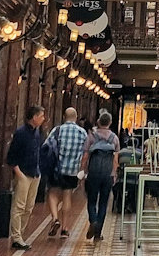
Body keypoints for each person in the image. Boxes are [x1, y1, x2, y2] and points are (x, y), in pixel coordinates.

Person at [6, 105, 47, 249]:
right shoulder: (21, 133)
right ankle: (16, 237)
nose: (43, 119)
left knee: (29, 207)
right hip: (23, 174)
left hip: (35, 173)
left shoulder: (37, 132)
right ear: (34, 117)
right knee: (19, 206)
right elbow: (11, 156)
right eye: (41, 116)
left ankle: (20, 234)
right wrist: (19, 174)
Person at [45, 103, 86, 239]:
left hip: (57, 169)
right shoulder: (82, 132)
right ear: (76, 117)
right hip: (72, 170)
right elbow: (85, 152)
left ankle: (55, 218)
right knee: (67, 196)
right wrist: (82, 170)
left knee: (52, 193)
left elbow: (47, 146)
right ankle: (65, 228)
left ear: (64, 117)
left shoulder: (57, 130)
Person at [83, 108, 119, 241]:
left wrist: (83, 171)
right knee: (104, 203)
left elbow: (86, 155)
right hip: (107, 173)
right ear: (109, 123)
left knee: (91, 201)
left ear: (98, 122)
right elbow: (116, 158)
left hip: (93, 172)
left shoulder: (91, 136)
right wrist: (114, 174)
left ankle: (93, 220)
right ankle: (98, 234)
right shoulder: (114, 138)